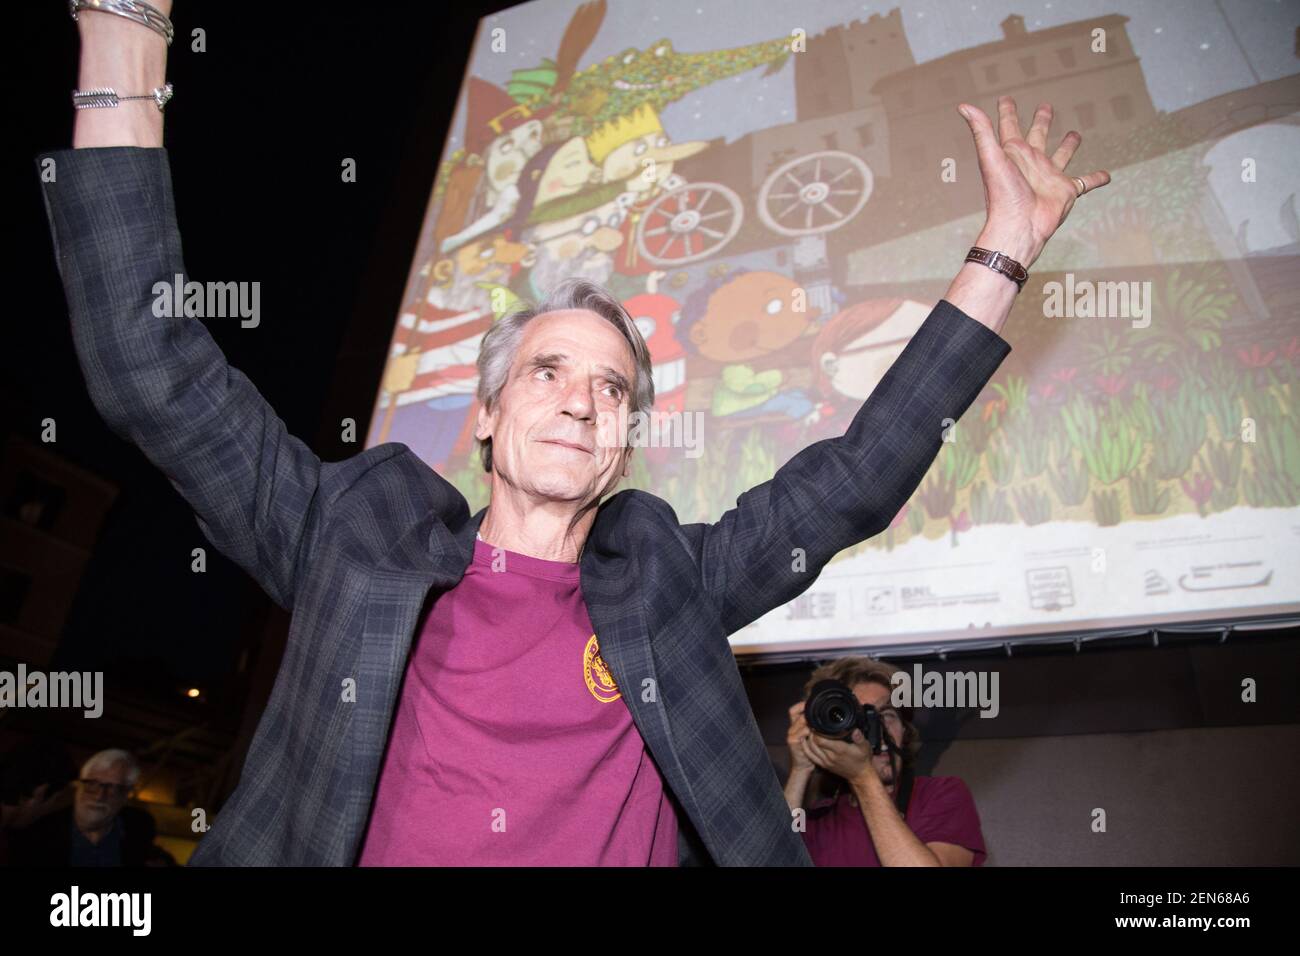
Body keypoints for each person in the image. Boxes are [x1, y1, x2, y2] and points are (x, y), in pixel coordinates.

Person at [36, 0, 1108, 865]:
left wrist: (1006, 243)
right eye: (547, 370)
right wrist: (124, 34)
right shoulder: (349, 533)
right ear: (490, 415)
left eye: (610, 386)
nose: (581, 397)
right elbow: (154, 373)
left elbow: (854, 479)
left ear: (625, 438)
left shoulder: (670, 578)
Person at [785, 658, 986, 866]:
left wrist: (862, 777)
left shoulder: (941, 794)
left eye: (887, 714)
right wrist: (801, 769)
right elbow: (771, 856)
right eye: (862, 718)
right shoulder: (817, 819)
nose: (878, 729)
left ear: (904, 730)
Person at [5, 749, 174, 866]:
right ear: (79, 785)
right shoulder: (37, 833)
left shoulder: (138, 828)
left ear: (126, 794)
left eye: (112, 787)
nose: (99, 795)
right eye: (91, 784)